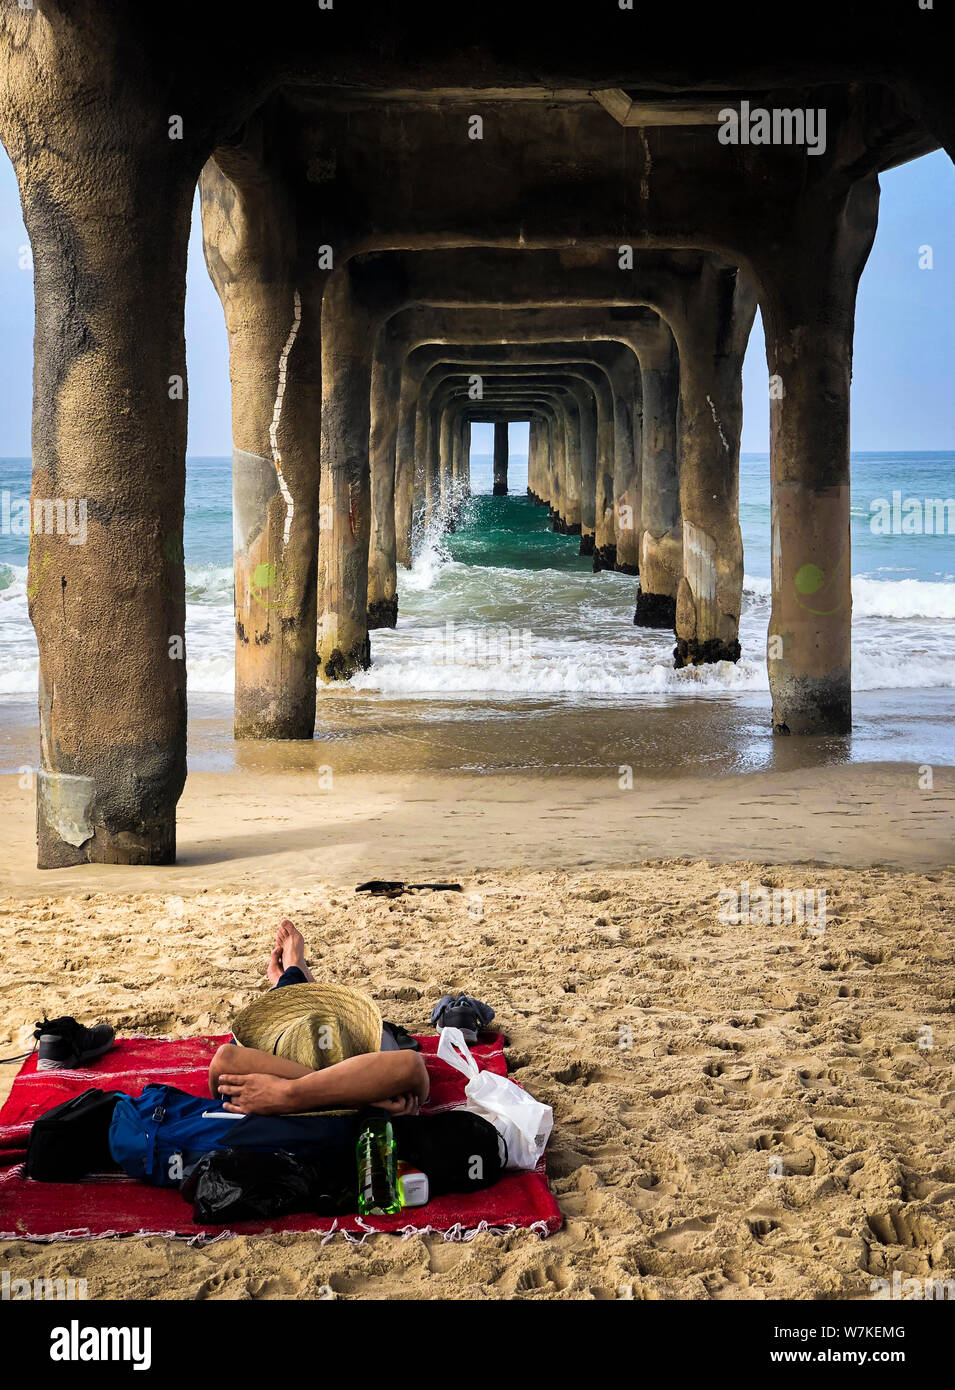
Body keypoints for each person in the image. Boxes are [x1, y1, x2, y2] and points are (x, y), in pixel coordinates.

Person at [208, 921, 430, 1118]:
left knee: (302, 1008)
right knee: (313, 1017)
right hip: (351, 1069)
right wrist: (360, 1095)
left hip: (282, 1062)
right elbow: (410, 1066)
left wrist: (287, 1093)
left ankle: (291, 977)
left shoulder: (258, 1097)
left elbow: (224, 1060)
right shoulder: (384, 1104)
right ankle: (293, 975)